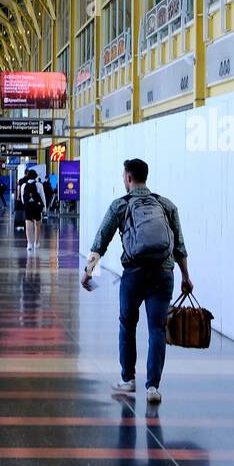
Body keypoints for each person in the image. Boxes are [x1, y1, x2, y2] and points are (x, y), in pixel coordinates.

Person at [83, 157, 192, 405]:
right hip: (164, 273)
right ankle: (153, 387)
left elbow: (101, 240)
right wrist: (186, 276)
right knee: (157, 328)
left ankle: (128, 379)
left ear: (129, 178)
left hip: (134, 273)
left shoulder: (120, 206)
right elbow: (180, 247)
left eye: (124, 176)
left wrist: (89, 271)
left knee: (127, 324)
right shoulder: (166, 205)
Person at [18, 168, 46, 252]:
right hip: (36, 206)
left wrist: (25, 204)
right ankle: (36, 242)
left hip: (28, 206)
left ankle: (29, 244)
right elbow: (42, 197)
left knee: (28, 225)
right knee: (37, 224)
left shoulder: (23, 185)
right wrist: (44, 208)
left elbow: (22, 198)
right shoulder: (39, 185)